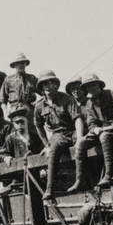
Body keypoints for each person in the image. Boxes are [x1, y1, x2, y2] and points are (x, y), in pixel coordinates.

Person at [73, 73, 113, 192]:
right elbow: (91, 122)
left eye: (94, 85)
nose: (91, 89)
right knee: (81, 143)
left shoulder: (112, 94)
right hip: (100, 130)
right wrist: (94, 128)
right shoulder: (89, 103)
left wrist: (112, 125)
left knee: (104, 136)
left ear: (99, 85)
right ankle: (79, 179)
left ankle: (109, 173)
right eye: (88, 87)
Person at [34, 70, 81, 199]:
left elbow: (77, 119)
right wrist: (46, 144)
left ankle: (80, 180)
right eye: (45, 84)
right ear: (41, 88)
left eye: (51, 83)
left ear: (56, 85)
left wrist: (80, 138)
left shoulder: (66, 98)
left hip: (72, 131)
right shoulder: (39, 106)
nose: (48, 87)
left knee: (82, 146)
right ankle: (50, 188)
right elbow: (38, 125)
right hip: (58, 134)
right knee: (53, 149)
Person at [0, 52, 41, 137]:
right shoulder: (8, 79)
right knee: (15, 134)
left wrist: (38, 104)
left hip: (29, 111)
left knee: (33, 134)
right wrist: (6, 113)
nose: (21, 65)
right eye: (18, 63)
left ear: (26, 64)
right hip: (14, 110)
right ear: (14, 65)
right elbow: (2, 99)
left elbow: (44, 93)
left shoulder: (32, 78)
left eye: (23, 63)